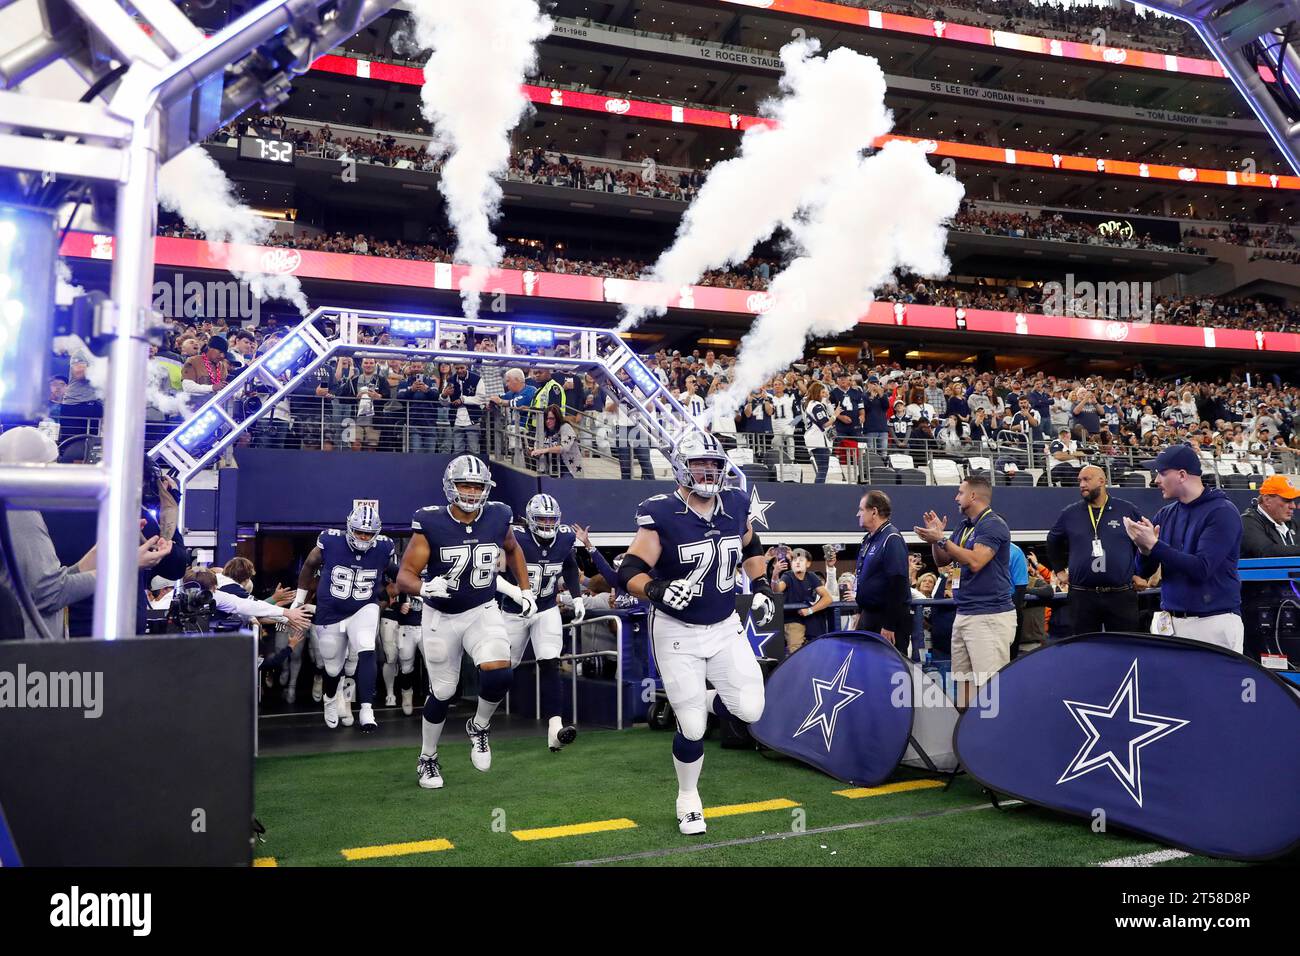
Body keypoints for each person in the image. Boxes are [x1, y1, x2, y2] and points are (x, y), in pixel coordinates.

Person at [618, 432, 775, 835]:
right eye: (700, 464)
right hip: (676, 629)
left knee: (752, 710)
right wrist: (655, 588)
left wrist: (759, 587)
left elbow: (752, 546)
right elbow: (629, 570)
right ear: (681, 467)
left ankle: (700, 698)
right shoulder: (661, 512)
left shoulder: (736, 503)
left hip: (724, 626)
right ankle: (688, 798)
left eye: (714, 464)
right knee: (691, 728)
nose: (708, 471)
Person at [396, 455, 536, 790]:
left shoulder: (499, 514)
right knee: (443, 692)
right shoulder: (430, 522)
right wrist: (423, 587)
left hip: (481, 608)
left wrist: (525, 588)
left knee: (500, 670)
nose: (472, 492)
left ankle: (480, 726)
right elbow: (404, 576)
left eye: (478, 485)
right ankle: (428, 757)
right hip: (441, 615)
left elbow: (513, 548)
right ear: (450, 486)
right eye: (465, 485)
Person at [1124, 445, 1244, 653]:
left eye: (1162, 473)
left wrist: (1154, 545)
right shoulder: (1165, 514)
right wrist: (1144, 549)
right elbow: (1143, 572)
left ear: (1181, 475)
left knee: (1212, 686)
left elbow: (1201, 569)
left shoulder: (1222, 512)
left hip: (1213, 622)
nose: (1156, 481)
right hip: (1170, 622)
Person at [293, 503, 397, 732]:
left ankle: (364, 708)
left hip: (363, 607)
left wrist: (419, 585)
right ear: (349, 527)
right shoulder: (330, 541)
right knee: (332, 669)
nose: (362, 537)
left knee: (365, 649)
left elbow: (397, 573)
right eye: (359, 531)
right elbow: (309, 565)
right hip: (331, 611)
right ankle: (330, 699)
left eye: (368, 533)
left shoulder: (383, 547)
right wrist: (299, 601)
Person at [914, 475, 1015, 706]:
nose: (956, 497)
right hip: (965, 611)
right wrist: (935, 538)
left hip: (989, 615)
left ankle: (992, 734)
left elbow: (977, 561)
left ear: (972, 495)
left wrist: (942, 540)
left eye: (960, 493)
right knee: (964, 680)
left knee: (989, 686)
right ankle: (965, 732)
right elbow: (942, 561)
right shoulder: (964, 525)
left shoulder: (992, 523)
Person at [500, 494, 583, 752]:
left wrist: (577, 597)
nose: (547, 524)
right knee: (504, 668)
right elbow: (492, 573)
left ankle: (555, 730)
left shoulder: (566, 537)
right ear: (530, 520)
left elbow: (569, 566)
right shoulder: (516, 537)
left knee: (550, 662)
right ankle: (481, 720)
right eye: (542, 519)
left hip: (546, 608)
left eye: (551, 519)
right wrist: (516, 593)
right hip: (515, 611)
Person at [1045, 464, 1143, 634]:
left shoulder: (1126, 509)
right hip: (1082, 596)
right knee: (1084, 650)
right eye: (1079, 481)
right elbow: (1053, 540)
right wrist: (1059, 570)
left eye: (1086, 479)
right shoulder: (1070, 513)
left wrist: (1141, 573)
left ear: (1102, 480)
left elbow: (1145, 542)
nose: (1082, 484)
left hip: (1120, 595)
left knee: (1125, 648)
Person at [1237, 474, 1300, 660]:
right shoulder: (1248, 522)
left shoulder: (1291, 524)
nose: (1293, 506)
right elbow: (1266, 551)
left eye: (1294, 501)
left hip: (1289, 603)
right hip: (1255, 609)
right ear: (1266, 499)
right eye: (1286, 500)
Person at [852, 490, 912, 655]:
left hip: (887, 619)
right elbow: (862, 579)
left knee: (889, 671)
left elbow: (898, 583)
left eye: (861, 509)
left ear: (874, 511)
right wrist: (860, 612)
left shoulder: (891, 538)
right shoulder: (869, 539)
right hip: (869, 615)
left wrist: (889, 625)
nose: (858, 514)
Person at [773, 547, 833, 654]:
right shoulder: (787, 576)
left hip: (810, 619)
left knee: (816, 647)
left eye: (800, 560)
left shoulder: (811, 576)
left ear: (808, 564)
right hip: (792, 620)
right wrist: (775, 574)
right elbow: (776, 590)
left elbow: (828, 598)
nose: (797, 563)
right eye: (794, 560)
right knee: (795, 651)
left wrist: (810, 610)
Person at [378, 581, 422, 714]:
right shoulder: (391, 565)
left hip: (413, 619)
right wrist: (392, 601)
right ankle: (390, 694)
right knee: (390, 657)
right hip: (390, 615)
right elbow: (382, 589)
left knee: (408, 660)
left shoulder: (419, 566)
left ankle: (412, 693)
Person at [802, 381, 834, 483]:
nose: (825, 395)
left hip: (814, 439)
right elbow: (825, 423)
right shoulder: (816, 405)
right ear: (817, 393)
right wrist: (835, 415)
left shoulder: (813, 404)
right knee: (823, 469)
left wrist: (828, 402)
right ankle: (818, 490)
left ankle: (818, 489)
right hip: (818, 440)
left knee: (822, 469)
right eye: (823, 392)